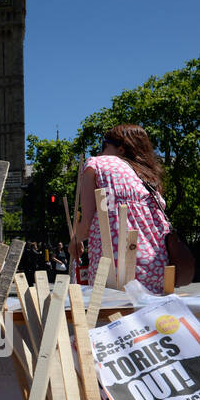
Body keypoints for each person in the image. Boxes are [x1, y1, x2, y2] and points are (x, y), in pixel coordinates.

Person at [69, 124, 170, 293]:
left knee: (112, 317)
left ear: (121, 149)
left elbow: (86, 224)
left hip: (113, 269)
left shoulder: (96, 164)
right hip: (158, 265)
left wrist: (74, 241)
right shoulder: (148, 176)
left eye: (104, 146)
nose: (100, 152)